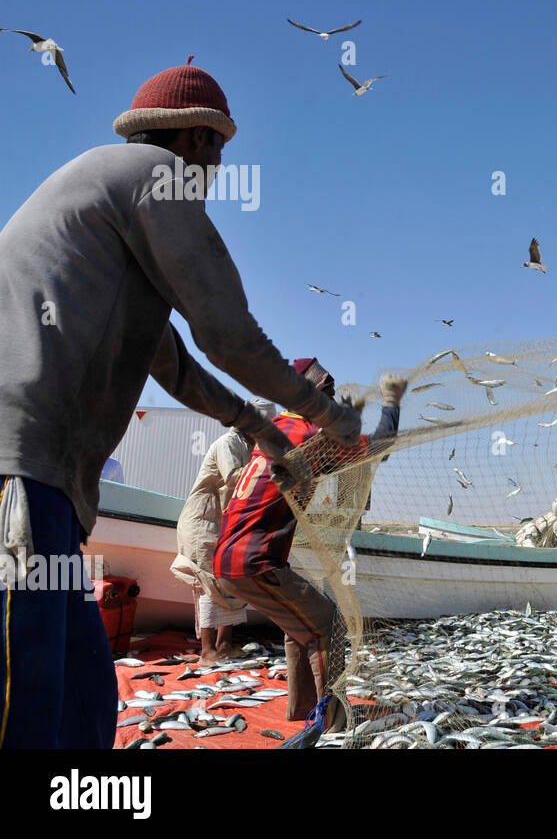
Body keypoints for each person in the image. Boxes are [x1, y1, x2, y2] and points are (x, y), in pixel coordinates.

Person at [0, 60, 360, 749]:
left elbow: (174, 364)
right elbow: (228, 334)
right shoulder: (153, 178)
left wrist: (257, 427)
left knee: (84, 694)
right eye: (218, 150)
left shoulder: (102, 211)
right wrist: (328, 416)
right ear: (192, 141)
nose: (220, 169)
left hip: (47, 494)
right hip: (17, 475)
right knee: (26, 698)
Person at [214, 360, 405, 730]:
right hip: (255, 562)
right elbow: (378, 448)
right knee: (329, 622)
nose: (330, 400)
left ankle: (302, 709)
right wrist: (392, 401)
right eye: (324, 393)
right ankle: (334, 718)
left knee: (298, 626)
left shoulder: (278, 428)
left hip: (230, 559)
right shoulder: (309, 437)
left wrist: (350, 418)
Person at [171, 398, 277, 664]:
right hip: (203, 522)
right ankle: (207, 651)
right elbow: (234, 478)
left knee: (230, 578)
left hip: (224, 524)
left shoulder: (253, 445)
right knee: (208, 582)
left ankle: (225, 644)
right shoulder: (227, 444)